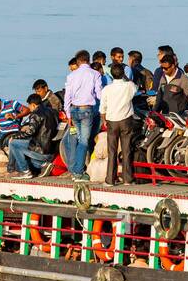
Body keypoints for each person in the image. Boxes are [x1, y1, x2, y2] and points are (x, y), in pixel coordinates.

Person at [64, 50, 103, 179]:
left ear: (78, 61)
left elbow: (67, 96)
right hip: (87, 110)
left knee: (81, 140)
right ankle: (78, 171)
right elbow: (99, 94)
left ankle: (77, 169)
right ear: (89, 60)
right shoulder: (95, 74)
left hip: (74, 110)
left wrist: (68, 115)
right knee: (84, 142)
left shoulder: (71, 76)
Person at [101, 62, 138, 186]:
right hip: (126, 120)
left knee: (112, 151)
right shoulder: (129, 86)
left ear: (111, 75)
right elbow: (135, 90)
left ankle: (110, 179)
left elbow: (102, 108)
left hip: (112, 120)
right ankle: (128, 179)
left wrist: (104, 120)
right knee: (126, 150)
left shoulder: (107, 89)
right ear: (123, 74)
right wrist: (125, 78)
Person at [8, 94, 60, 178]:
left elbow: (30, 132)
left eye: (29, 105)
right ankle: (42, 164)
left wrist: (15, 136)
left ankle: (23, 171)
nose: (29, 108)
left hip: (41, 151)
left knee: (13, 143)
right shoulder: (52, 111)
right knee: (27, 155)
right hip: (51, 151)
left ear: (33, 105)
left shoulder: (35, 114)